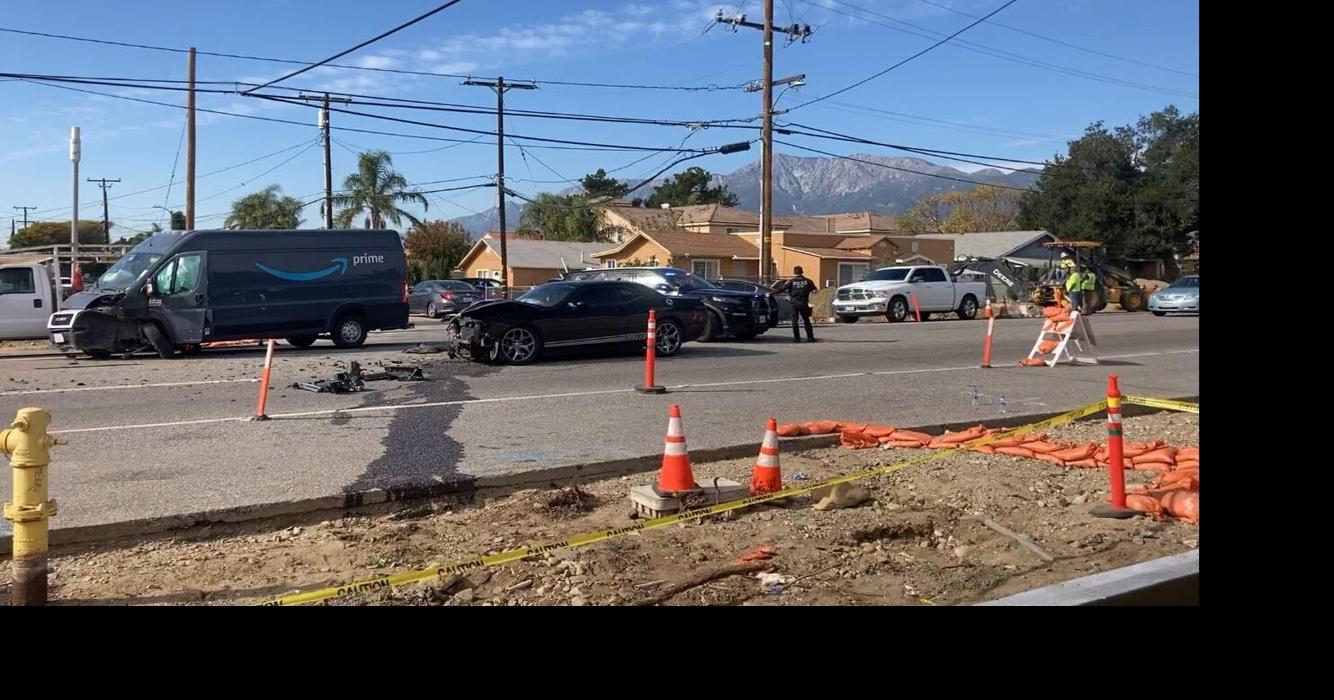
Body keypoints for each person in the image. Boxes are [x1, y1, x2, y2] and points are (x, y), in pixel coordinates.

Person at [774, 266, 818, 342]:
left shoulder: (791, 281)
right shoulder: (808, 281)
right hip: (804, 302)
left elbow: (781, 289)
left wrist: (772, 293)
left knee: (795, 321)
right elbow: (814, 291)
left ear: (794, 273)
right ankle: (810, 338)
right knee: (806, 320)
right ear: (802, 272)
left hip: (794, 302)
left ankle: (797, 338)